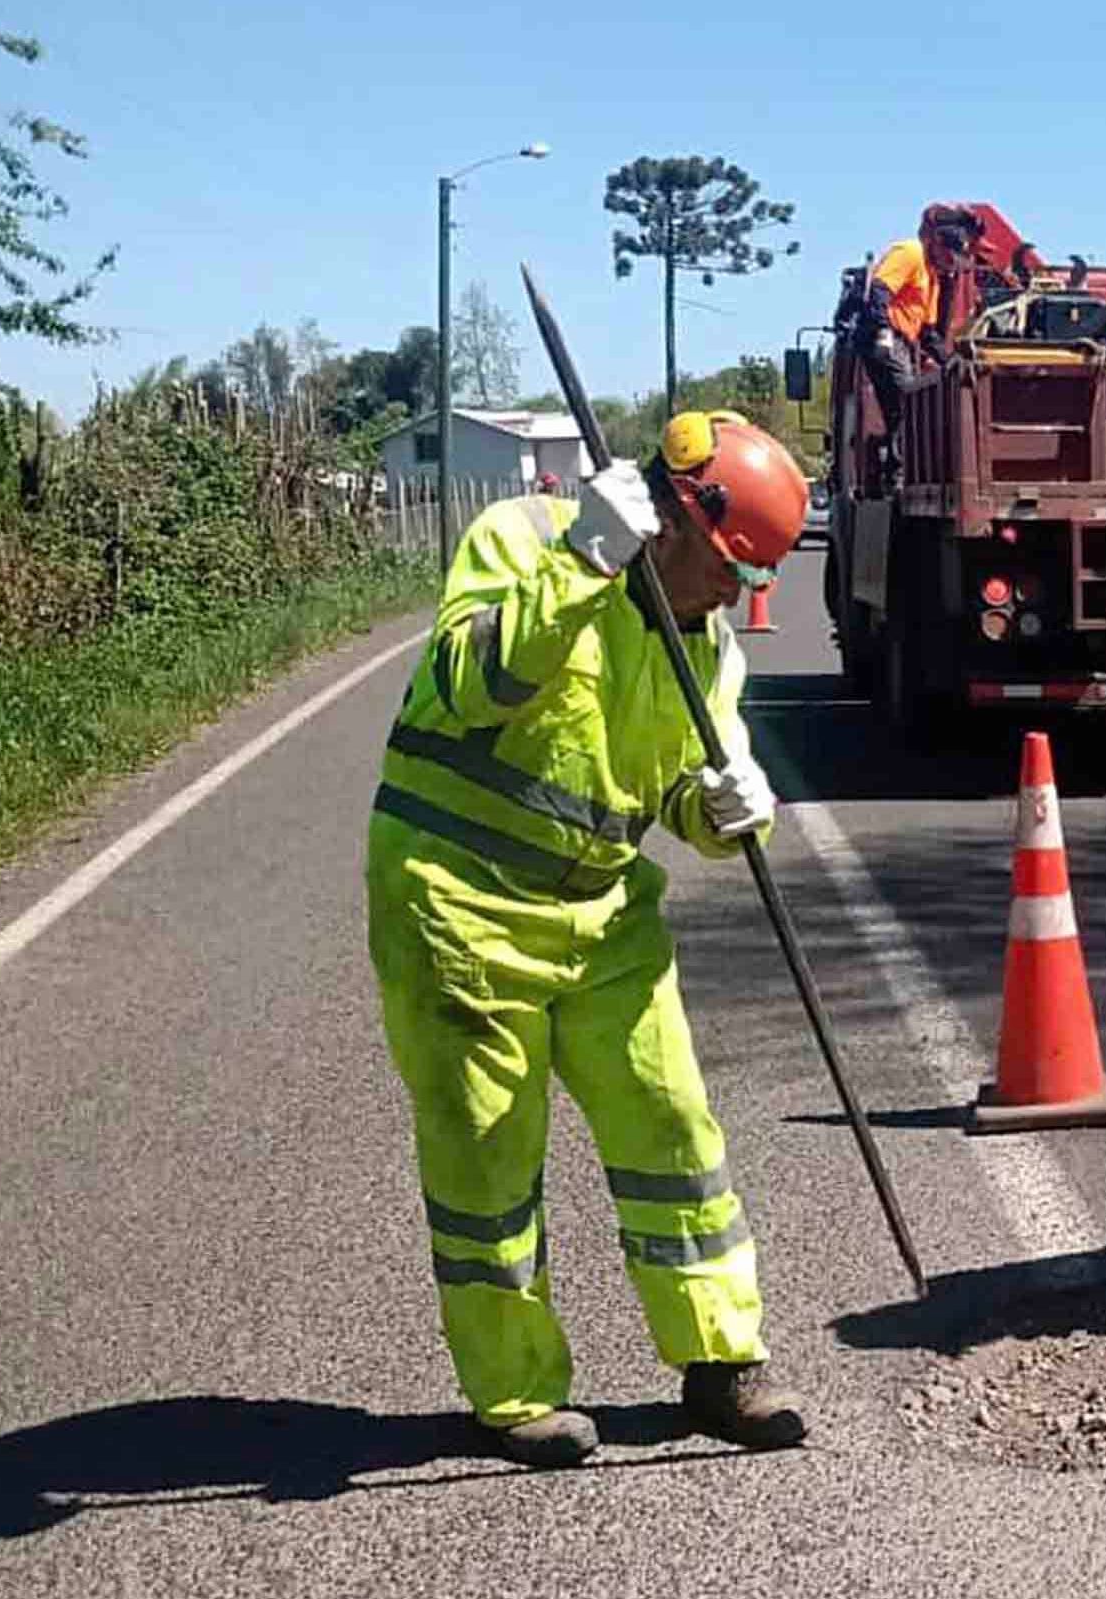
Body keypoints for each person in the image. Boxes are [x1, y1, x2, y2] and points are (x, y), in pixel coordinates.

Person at [365, 409, 809, 1465]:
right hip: (460, 904)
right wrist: (580, 566)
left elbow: (683, 798)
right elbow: (467, 688)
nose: (732, 599)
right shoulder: (525, 539)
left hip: (603, 914)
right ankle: (515, 1394)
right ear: (675, 522)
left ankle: (720, 1363)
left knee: (673, 1129)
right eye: (727, 570)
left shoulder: (704, 645)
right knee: (488, 1162)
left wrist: (734, 804)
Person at [854, 208, 977, 443]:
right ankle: (903, 463)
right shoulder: (910, 253)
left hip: (901, 342)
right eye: (949, 257)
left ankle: (898, 461)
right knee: (909, 403)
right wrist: (882, 332)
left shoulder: (932, 277)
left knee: (900, 410)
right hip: (885, 338)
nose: (950, 264)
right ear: (937, 242)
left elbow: (927, 332)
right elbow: (879, 289)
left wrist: (949, 360)